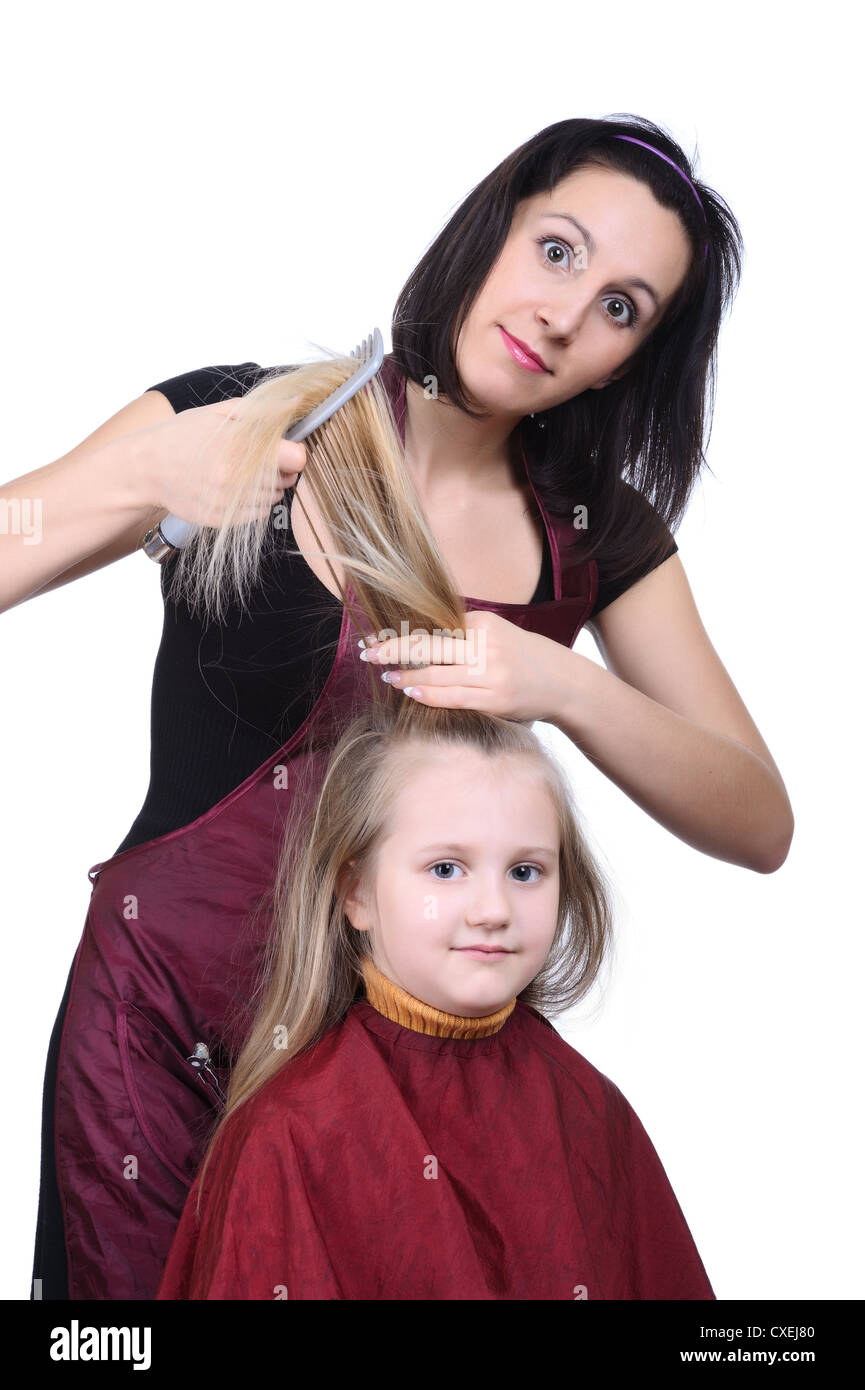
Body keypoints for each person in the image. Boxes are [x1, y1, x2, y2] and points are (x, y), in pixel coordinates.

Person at [3, 114, 793, 1301]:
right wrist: (134, 475)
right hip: (157, 1040)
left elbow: (759, 819)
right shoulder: (246, 418)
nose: (563, 314)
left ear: (627, 362)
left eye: (621, 308)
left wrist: (563, 686)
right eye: (558, 250)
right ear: (492, 229)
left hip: (397, 1083)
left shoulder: (595, 535)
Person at [156, 694, 714, 1301]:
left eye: (525, 872)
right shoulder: (288, 1132)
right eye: (446, 869)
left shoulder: (592, 1110)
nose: (493, 910)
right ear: (356, 893)